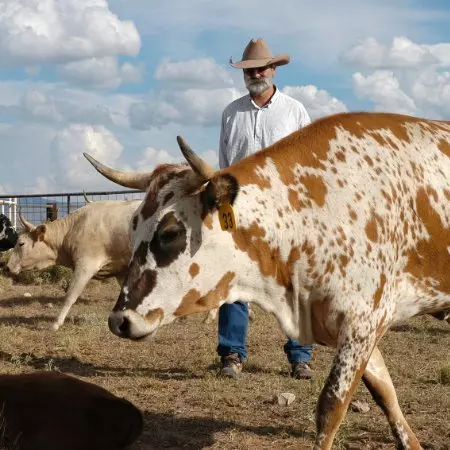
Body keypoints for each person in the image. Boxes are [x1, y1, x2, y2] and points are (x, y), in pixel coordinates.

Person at [217, 38, 314, 380]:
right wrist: (225, 209)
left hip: (285, 211)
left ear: (274, 70)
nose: (256, 73)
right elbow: (225, 166)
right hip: (242, 212)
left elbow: (307, 164)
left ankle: (300, 357)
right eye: (249, 70)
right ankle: (231, 354)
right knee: (234, 282)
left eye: (261, 68)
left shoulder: (295, 111)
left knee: (291, 282)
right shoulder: (231, 114)